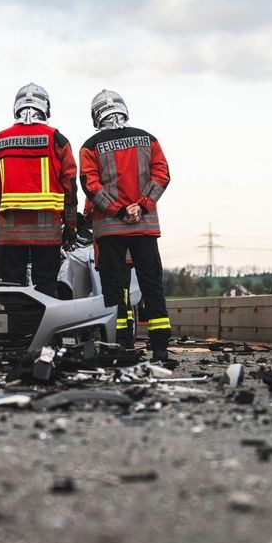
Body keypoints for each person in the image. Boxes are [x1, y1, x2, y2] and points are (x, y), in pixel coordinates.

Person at [78, 90, 173, 361]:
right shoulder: (148, 139)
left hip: (110, 230)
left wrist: (118, 210)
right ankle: (160, 347)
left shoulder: (90, 145)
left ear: (96, 115)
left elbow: (89, 185)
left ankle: (121, 343)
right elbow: (162, 175)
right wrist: (141, 206)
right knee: (151, 284)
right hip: (144, 226)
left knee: (114, 287)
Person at [0, 83, 78, 297]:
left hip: (10, 231)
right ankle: (48, 330)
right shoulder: (57, 139)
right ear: (45, 107)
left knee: (11, 289)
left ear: (16, 107)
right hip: (48, 230)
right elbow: (70, 187)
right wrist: (71, 227)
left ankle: (15, 331)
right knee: (46, 288)